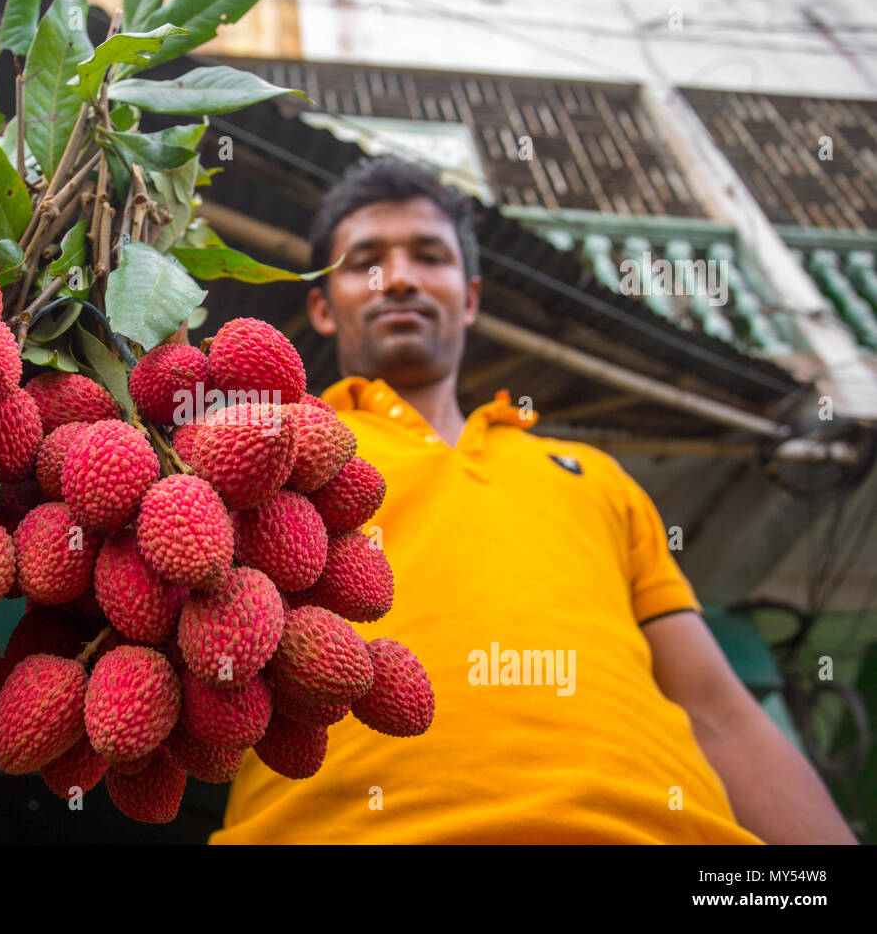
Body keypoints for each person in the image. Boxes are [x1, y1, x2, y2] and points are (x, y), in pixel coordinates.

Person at [209, 156, 857, 844]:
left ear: (472, 296)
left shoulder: (596, 475)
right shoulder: (262, 453)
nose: (397, 277)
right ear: (322, 305)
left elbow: (717, 711)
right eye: (365, 260)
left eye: (429, 256)